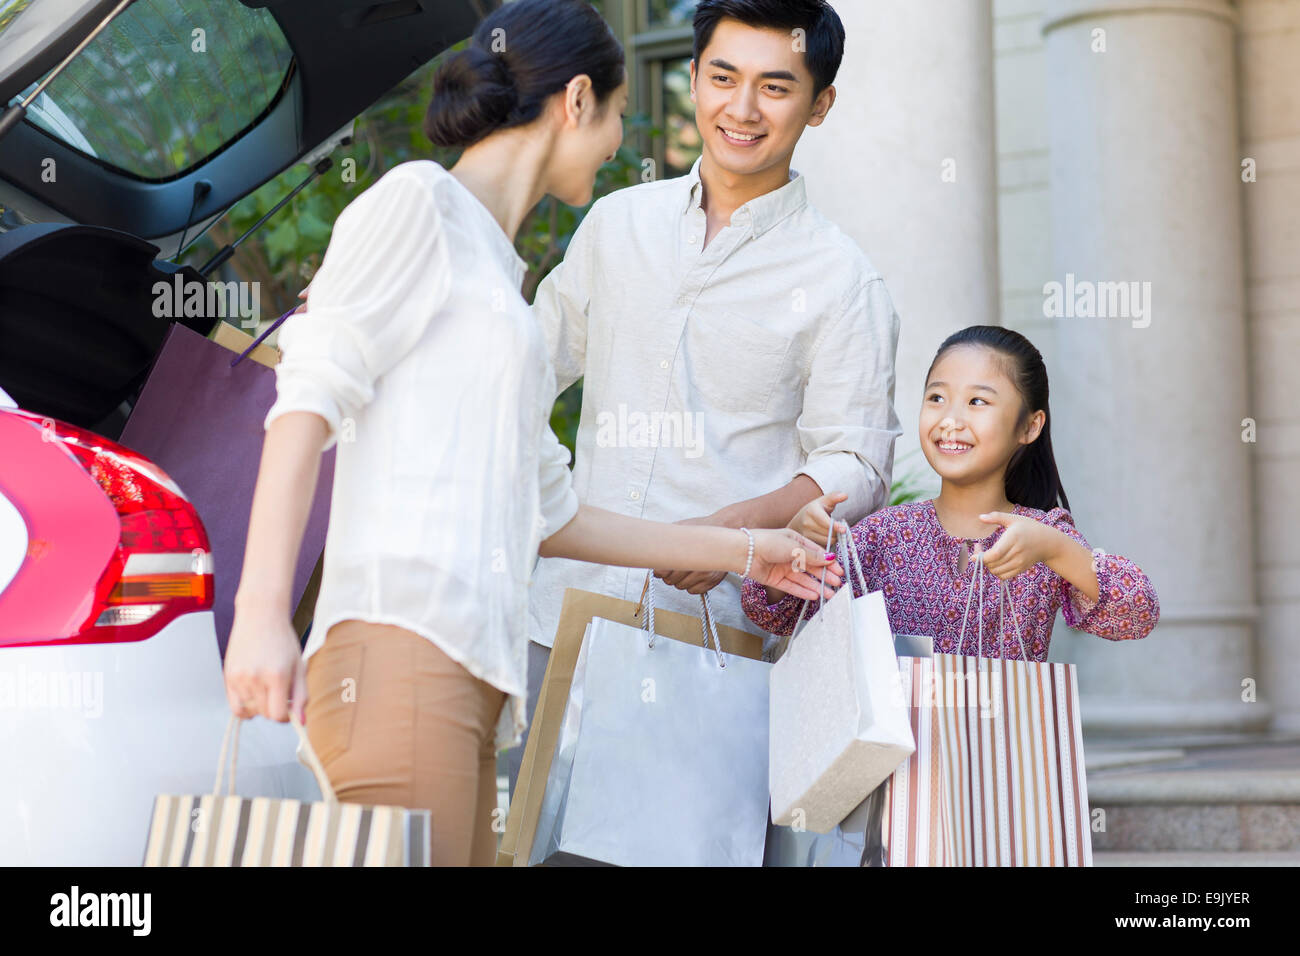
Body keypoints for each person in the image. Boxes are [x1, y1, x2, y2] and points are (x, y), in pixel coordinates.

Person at [222, 0, 840, 869]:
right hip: (399, 653)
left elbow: (551, 513)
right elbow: (303, 404)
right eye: (622, 113)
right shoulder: (419, 207)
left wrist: (748, 551)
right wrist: (258, 617)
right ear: (576, 99)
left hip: (477, 680)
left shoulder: (495, 278)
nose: (622, 141)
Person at [510, 0, 901, 797]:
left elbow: (855, 461)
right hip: (558, 616)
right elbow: (519, 370)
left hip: (711, 637)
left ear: (820, 104)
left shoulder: (842, 279)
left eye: (776, 86)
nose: (743, 108)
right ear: (693, 79)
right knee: (518, 842)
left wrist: (727, 532)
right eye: (723, 77)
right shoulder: (617, 226)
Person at [743, 325, 1161, 654]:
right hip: (898, 760)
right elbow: (772, 613)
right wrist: (797, 543)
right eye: (937, 397)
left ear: (1030, 426)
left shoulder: (1042, 536)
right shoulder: (885, 534)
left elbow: (1137, 612)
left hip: (1005, 757)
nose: (951, 420)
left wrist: (1055, 549)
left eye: (978, 402)